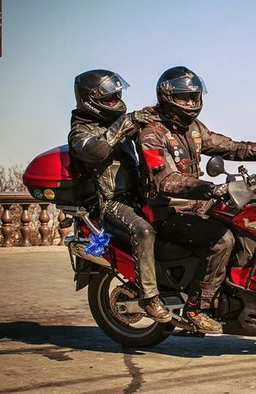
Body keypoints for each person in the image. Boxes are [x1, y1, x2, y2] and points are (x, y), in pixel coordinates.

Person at [136, 66, 256, 334]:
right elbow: (165, 180)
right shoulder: (152, 133)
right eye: (184, 98)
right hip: (167, 211)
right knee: (221, 240)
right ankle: (197, 308)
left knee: (250, 218)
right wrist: (211, 189)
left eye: (194, 97)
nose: (190, 103)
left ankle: (240, 294)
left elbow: (232, 147)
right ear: (168, 97)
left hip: (197, 205)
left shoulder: (192, 128)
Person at [68, 69, 172, 323]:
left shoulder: (113, 122)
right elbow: (96, 151)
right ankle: (149, 298)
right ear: (90, 100)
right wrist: (126, 123)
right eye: (109, 98)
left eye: (116, 95)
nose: (115, 101)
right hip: (110, 202)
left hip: (138, 195)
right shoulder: (80, 132)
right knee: (143, 231)